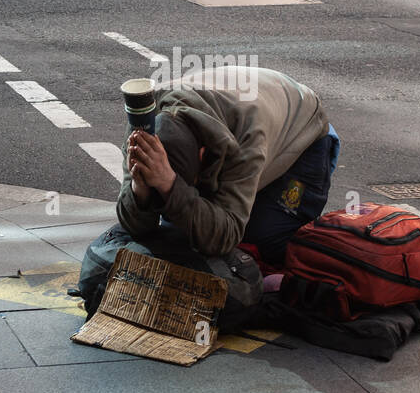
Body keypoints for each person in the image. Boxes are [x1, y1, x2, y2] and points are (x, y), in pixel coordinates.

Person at [118, 66, 339, 265]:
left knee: (263, 242)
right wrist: (140, 188)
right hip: (240, 101)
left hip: (301, 129)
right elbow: (138, 228)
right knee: (182, 225)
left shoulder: (247, 137)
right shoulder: (145, 132)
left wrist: (169, 185)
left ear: (203, 154)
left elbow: (224, 237)